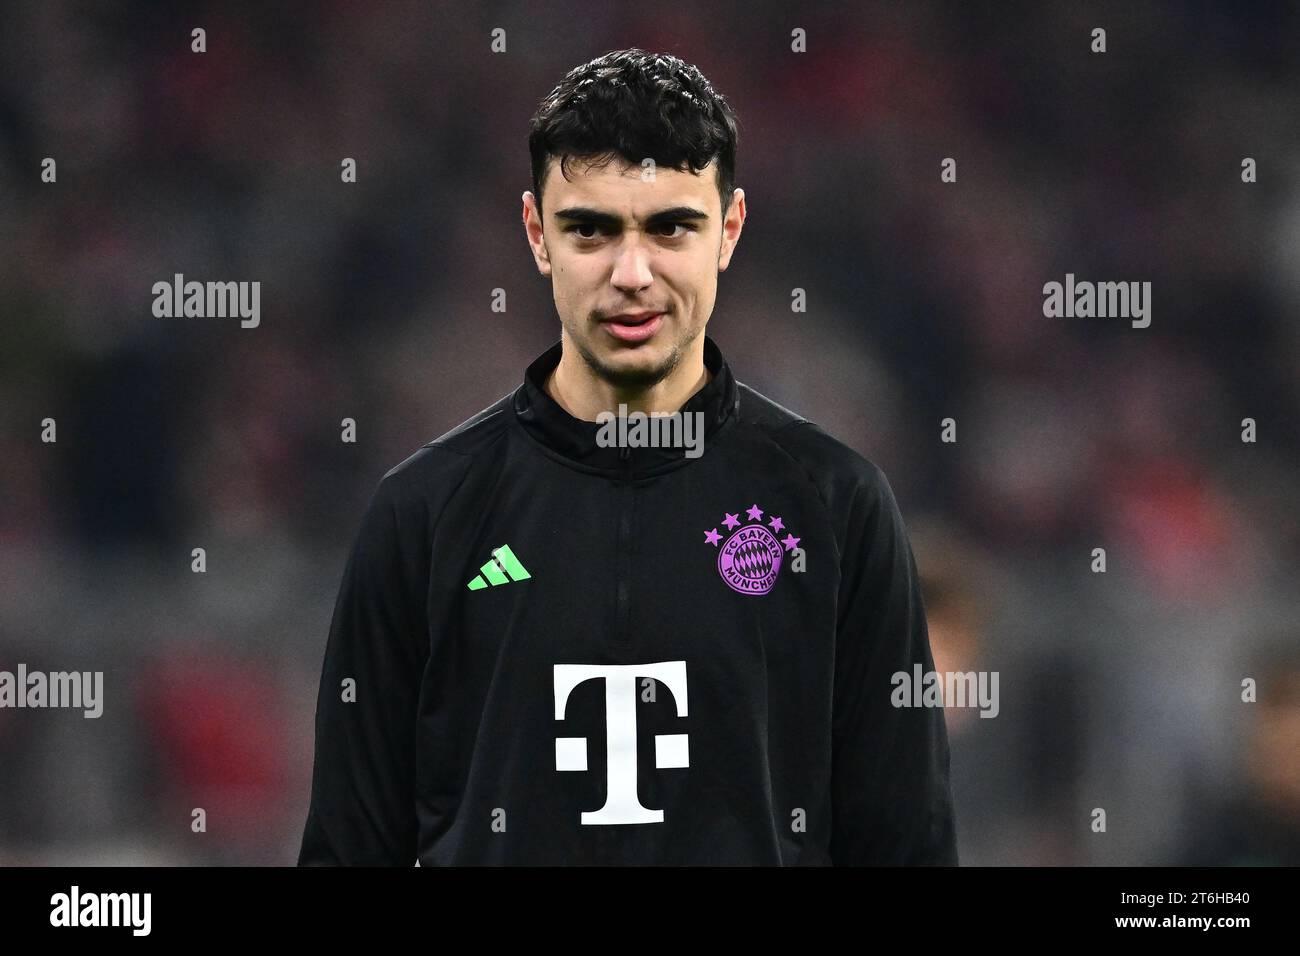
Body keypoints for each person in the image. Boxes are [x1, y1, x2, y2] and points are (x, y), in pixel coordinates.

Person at [298, 48, 956, 865]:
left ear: (731, 229)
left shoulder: (835, 507)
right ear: (538, 234)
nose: (632, 273)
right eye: (591, 229)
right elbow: (348, 849)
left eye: (671, 226)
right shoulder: (423, 516)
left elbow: (906, 847)